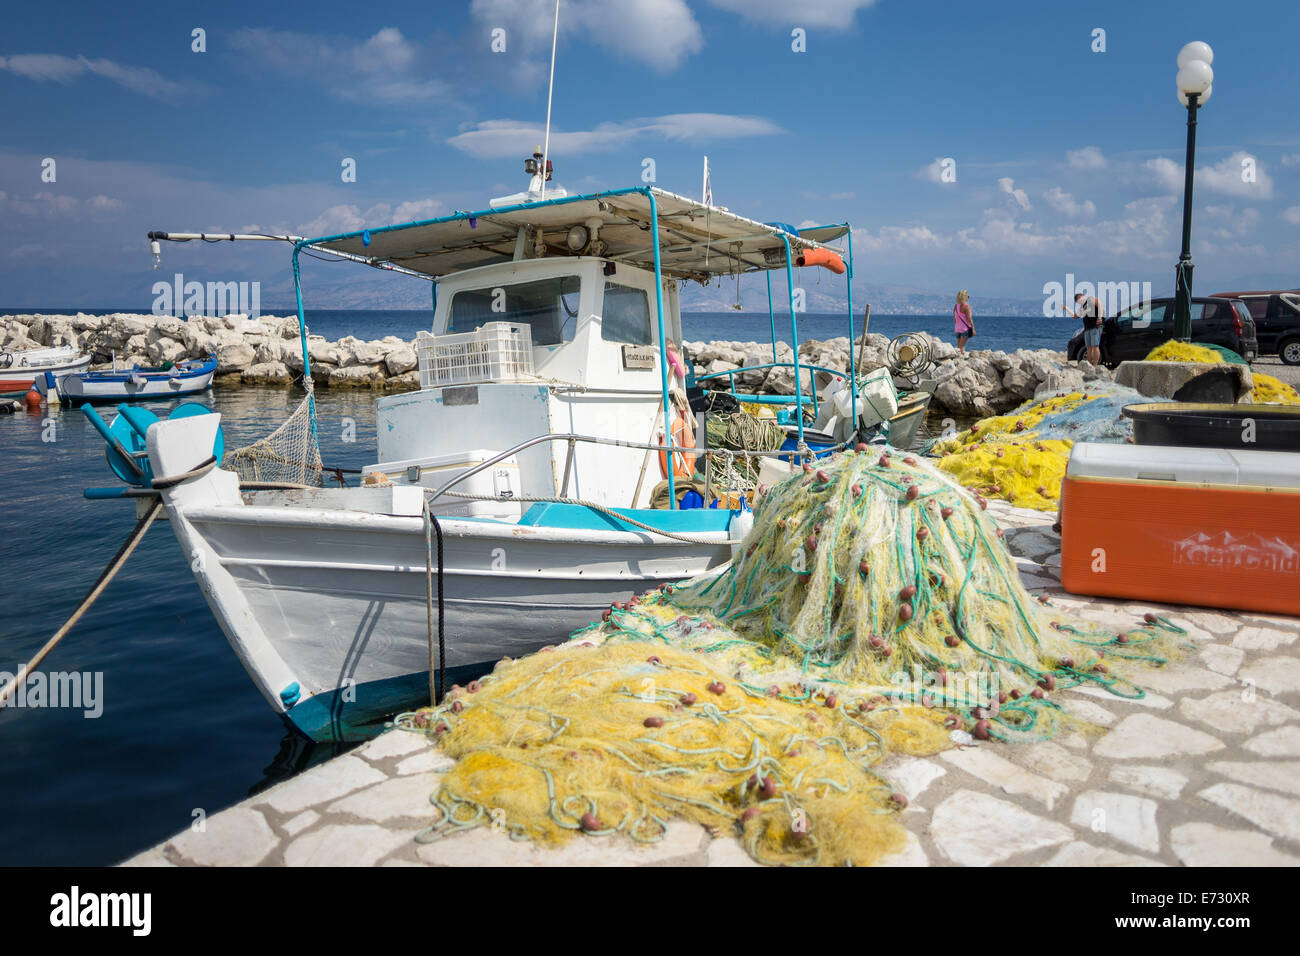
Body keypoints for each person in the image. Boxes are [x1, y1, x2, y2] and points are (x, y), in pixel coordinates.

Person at [1066, 292, 1104, 366]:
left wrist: (1099, 317)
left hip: (1096, 326)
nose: (1078, 302)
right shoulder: (1082, 307)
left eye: (1078, 299)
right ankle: (1089, 365)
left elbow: (1100, 304)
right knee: (1088, 347)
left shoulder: (1091, 299)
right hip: (1087, 328)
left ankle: (1095, 366)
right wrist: (1066, 308)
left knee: (1095, 346)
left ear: (1082, 296)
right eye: (1077, 301)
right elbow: (1075, 317)